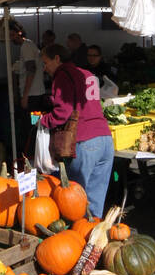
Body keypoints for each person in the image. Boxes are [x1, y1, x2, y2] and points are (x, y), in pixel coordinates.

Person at [39, 42, 114, 219]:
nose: (44, 68)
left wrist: (43, 120)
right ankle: (93, 239)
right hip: (105, 140)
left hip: (85, 141)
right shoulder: (87, 74)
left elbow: (62, 113)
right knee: (95, 200)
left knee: (74, 202)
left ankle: (78, 240)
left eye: (46, 62)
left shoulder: (63, 74)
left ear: (57, 58)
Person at [8, 21, 45, 156]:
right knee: (33, 125)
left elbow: (31, 70)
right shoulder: (29, 45)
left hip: (32, 96)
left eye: (12, 35)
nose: (11, 39)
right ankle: (32, 154)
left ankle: (30, 156)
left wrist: (25, 96)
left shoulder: (26, 46)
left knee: (30, 127)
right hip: (35, 95)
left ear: (19, 33)